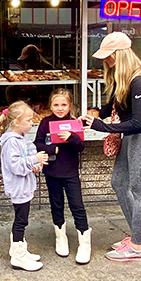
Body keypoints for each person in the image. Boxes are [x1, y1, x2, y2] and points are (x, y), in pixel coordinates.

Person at [80, 32, 141, 262]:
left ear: (120, 54)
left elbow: (137, 122)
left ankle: (136, 247)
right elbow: (114, 107)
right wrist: (94, 113)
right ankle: (139, 237)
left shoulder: (139, 79)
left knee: (139, 193)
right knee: (118, 182)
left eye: (109, 56)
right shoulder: (122, 77)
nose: (105, 61)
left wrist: (100, 126)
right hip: (132, 137)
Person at [34, 88, 91, 263]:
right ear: (50, 106)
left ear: (70, 106)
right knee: (56, 204)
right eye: (56, 104)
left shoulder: (74, 123)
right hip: (52, 172)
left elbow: (81, 147)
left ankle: (85, 242)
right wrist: (52, 149)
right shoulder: (45, 123)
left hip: (71, 172)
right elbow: (37, 143)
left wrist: (72, 137)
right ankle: (61, 237)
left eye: (64, 105)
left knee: (77, 205)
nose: (60, 108)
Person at [0, 101, 48, 271]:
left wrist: (36, 164)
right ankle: (18, 257)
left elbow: (30, 153)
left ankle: (20, 250)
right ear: (16, 122)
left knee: (22, 220)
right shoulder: (11, 141)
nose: (32, 123)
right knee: (21, 221)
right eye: (28, 121)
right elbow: (15, 166)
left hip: (25, 185)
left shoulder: (23, 138)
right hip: (19, 188)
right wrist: (34, 160)